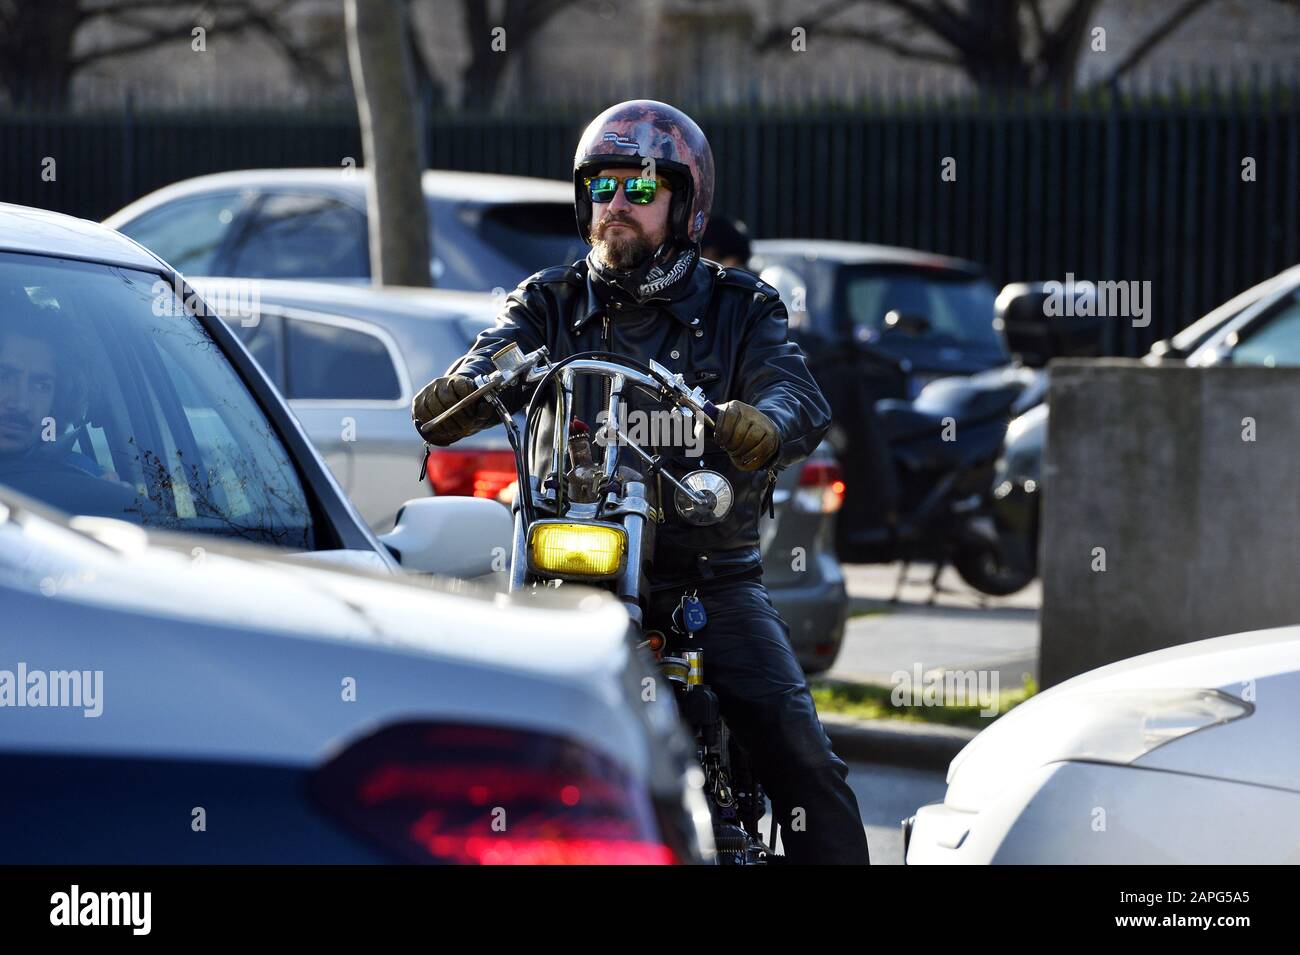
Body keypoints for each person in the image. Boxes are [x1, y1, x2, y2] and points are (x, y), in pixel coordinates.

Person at [411, 99, 870, 864]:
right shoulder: (549, 302)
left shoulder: (740, 308)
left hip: (707, 577)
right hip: (563, 571)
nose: (616, 203)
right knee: (465, 733)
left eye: (641, 187)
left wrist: (768, 420)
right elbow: (494, 354)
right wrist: (462, 388)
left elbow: (795, 391)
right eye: (602, 187)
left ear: (686, 205)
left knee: (801, 754)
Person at [0, 289, 104, 478]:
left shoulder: (78, 478)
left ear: (58, 401)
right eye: (4, 376)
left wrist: (111, 493)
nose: (21, 403)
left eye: (41, 386)